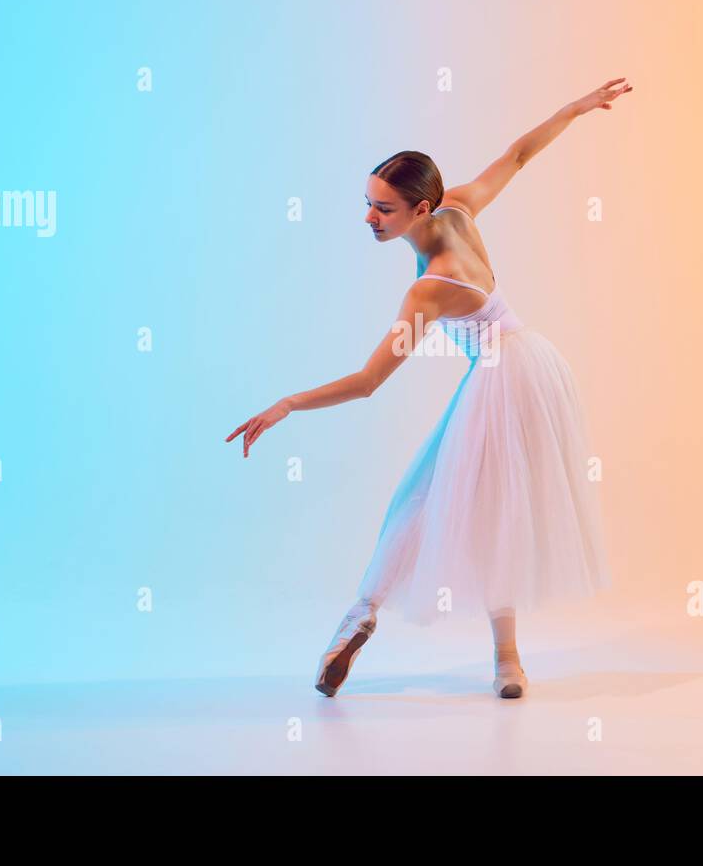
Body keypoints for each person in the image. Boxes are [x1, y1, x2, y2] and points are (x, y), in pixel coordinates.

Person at [227, 78, 632, 698]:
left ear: (420, 210)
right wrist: (573, 110)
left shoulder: (431, 286)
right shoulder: (459, 208)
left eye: (382, 209)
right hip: (528, 362)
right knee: (483, 508)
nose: (369, 217)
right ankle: (500, 662)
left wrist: (287, 404)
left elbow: (368, 383)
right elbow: (518, 156)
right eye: (367, 201)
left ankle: (374, 617)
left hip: (503, 379)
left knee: (428, 502)